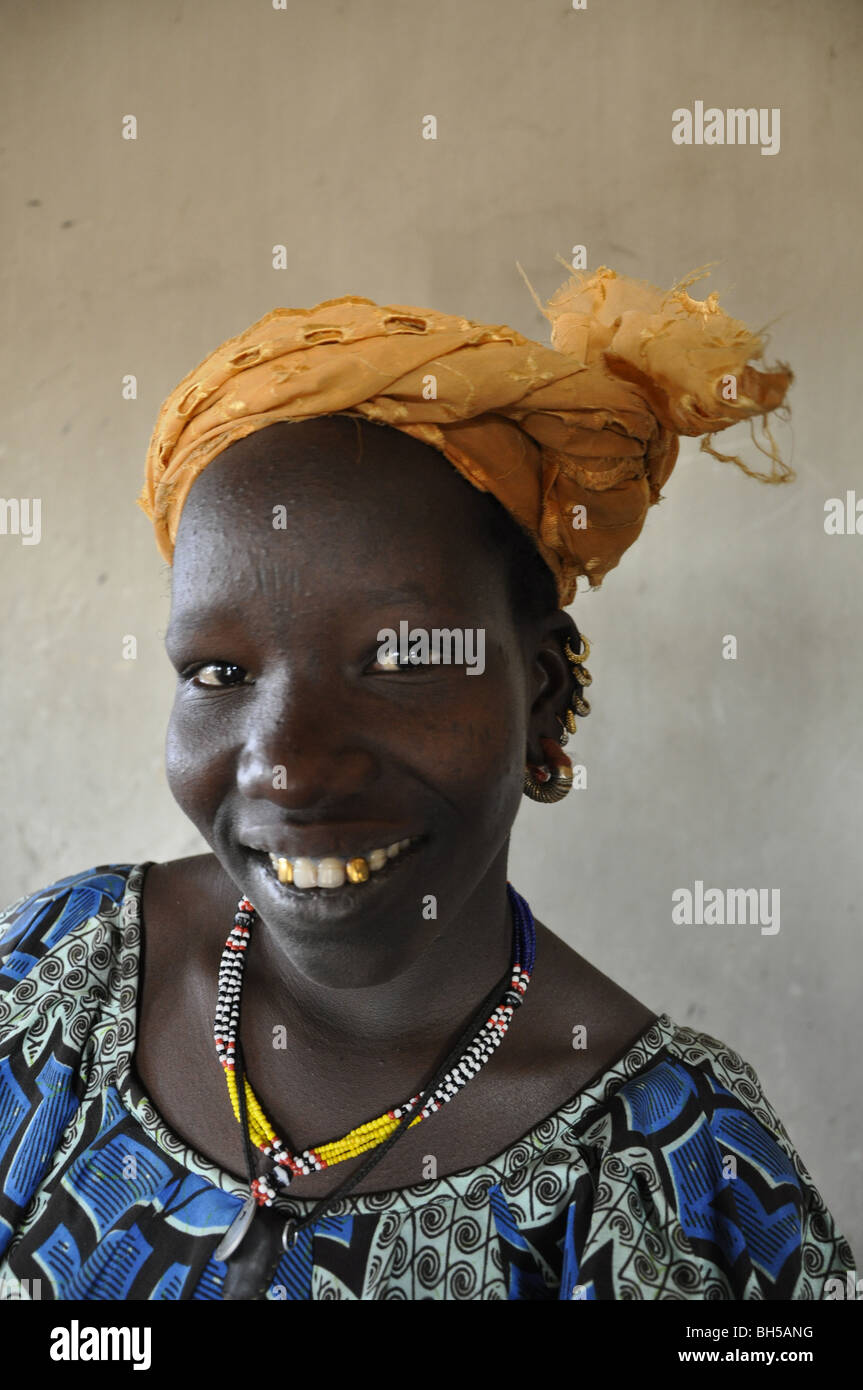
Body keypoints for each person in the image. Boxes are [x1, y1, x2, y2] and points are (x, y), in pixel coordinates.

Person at [0, 267, 855, 1301]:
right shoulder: (60, 977)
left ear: (538, 698)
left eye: (398, 659)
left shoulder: (676, 1172)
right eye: (219, 672)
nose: (286, 763)